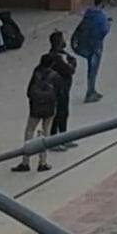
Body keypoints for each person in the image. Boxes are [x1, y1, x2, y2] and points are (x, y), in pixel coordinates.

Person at [24, 34, 74, 170]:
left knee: (29, 131)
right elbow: (61, 88)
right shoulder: (55, 75)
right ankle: (43, 162)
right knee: (45, 133)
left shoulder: (36, 72)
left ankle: (25, 161)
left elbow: (29, 90)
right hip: (50, 108)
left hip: (35, 108)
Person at [72, 0, 113, 101]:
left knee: (91, 67)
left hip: (85, 44)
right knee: (93, 69)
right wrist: (108, 24)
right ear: (103, 1)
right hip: (95, 46)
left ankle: (91, 90)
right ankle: (90, 92)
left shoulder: (89, 13)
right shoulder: (100, 16)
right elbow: (104, 30)